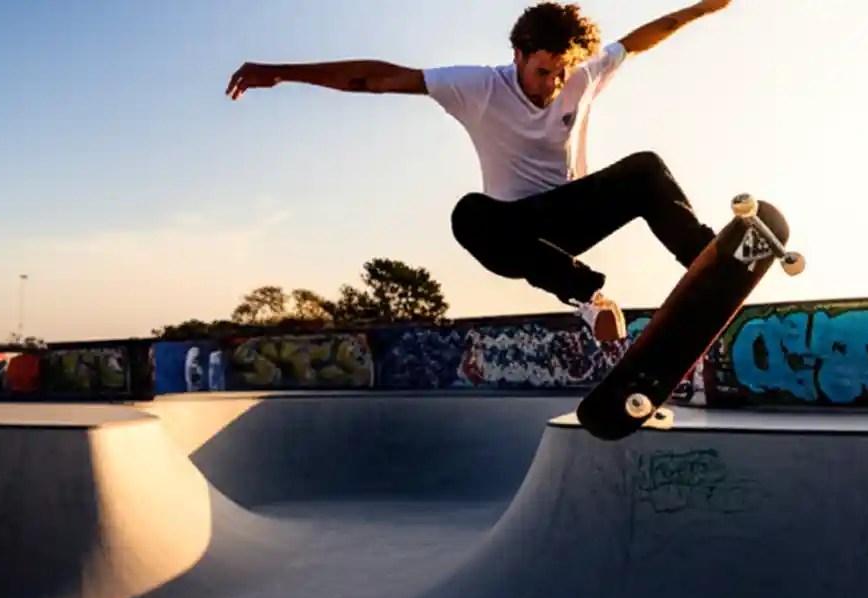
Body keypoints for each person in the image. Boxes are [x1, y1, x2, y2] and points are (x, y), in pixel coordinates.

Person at [227, 0, 733, 342]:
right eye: (542, 72)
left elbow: (642, 38)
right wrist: (283, 72)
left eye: (561, 73)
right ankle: (588, 297)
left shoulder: (584, 73)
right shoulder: (477, 87)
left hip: (571, 216)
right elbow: (377, 78)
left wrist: (702, 8)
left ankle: (710, 264)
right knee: (467, 212)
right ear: (517, 55)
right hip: (515, 235)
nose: (553, 85)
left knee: (644, 168)